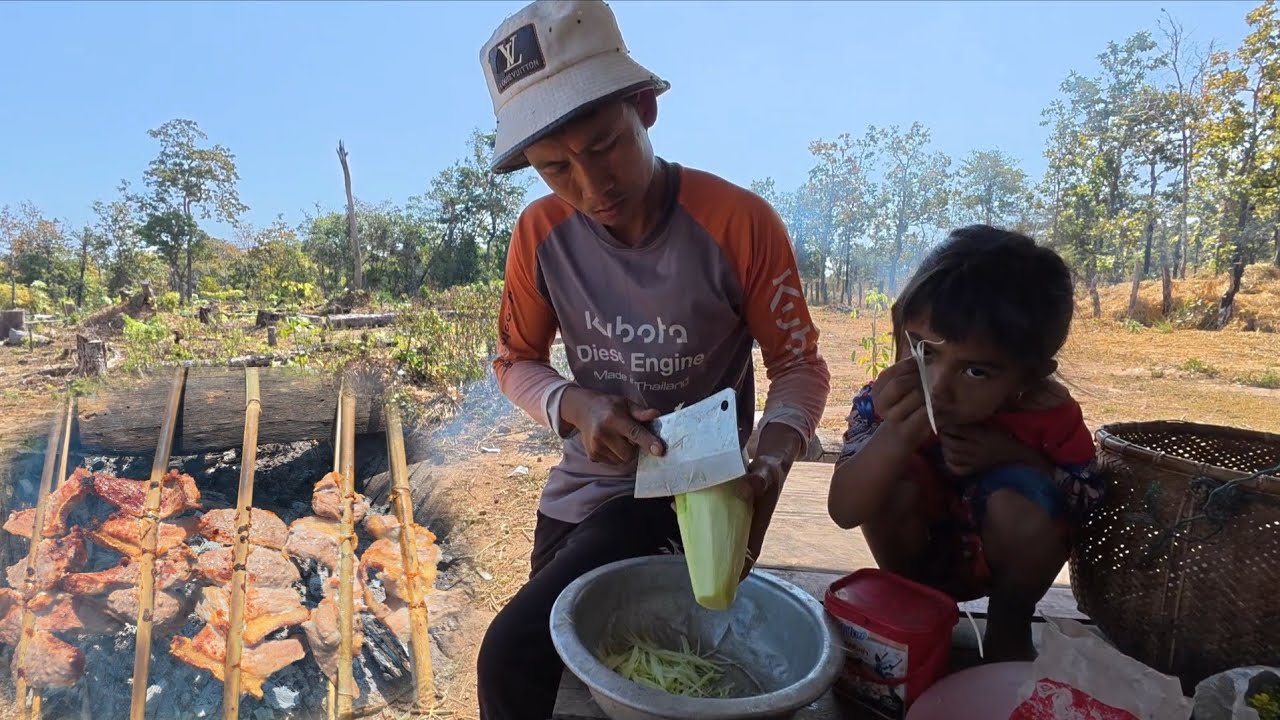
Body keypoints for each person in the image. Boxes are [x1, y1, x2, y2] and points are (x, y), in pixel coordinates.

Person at [474, 1, 831, 718]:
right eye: (553, 167)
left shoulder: (736, 222)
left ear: (644, 108)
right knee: (564, 668)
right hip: (581, 492)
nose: (589, 184)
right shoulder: (540, 235)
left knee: (510, 655)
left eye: (604, 144)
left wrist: (776, 446)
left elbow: (799, 365)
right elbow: (515, 359)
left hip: (689, 494)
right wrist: (575, 405)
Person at [827, 225, 1106, 662]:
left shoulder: (1047, 415)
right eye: (924, 352)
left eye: (975, 372)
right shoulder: (884, 402)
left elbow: (1089, 501)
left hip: (1007, 567)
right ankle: (916, 613)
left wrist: (1016, 458)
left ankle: (1008, 628)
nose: (937, 387)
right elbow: (844, 511)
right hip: (917, 562)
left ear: (1029, 377)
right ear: (899, 324)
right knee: (886, 478)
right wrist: (895, 435)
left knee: (1026, 504)